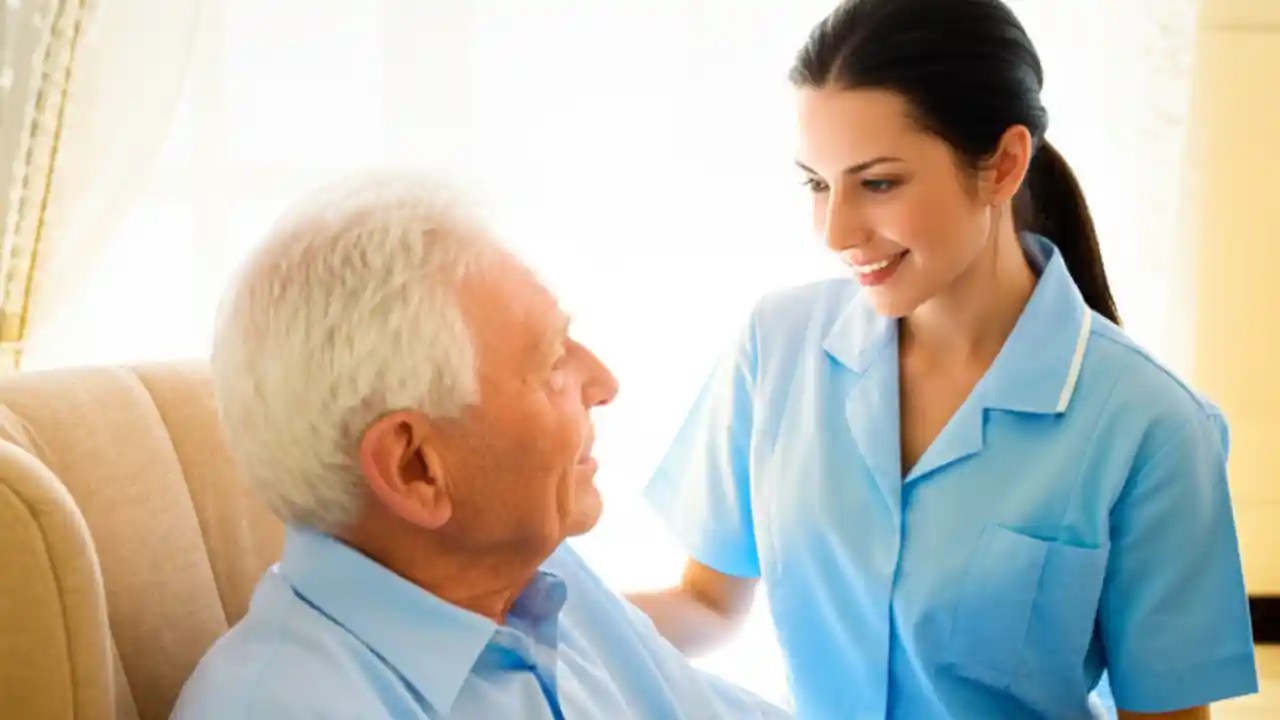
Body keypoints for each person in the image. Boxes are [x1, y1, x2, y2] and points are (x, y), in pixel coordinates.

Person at [629, 1, 1258, 718]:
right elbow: (708, 604)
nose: (836, 230)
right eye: (817, 183)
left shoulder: (1151, 425)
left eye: (879, 183)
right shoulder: (776, 348)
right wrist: (514, 612)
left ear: (1004, 164)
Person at [172, 174, 787, 719]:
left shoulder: (538, 590)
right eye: (551, 363)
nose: (602, 383)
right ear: (416, 468)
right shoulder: (286, 704)